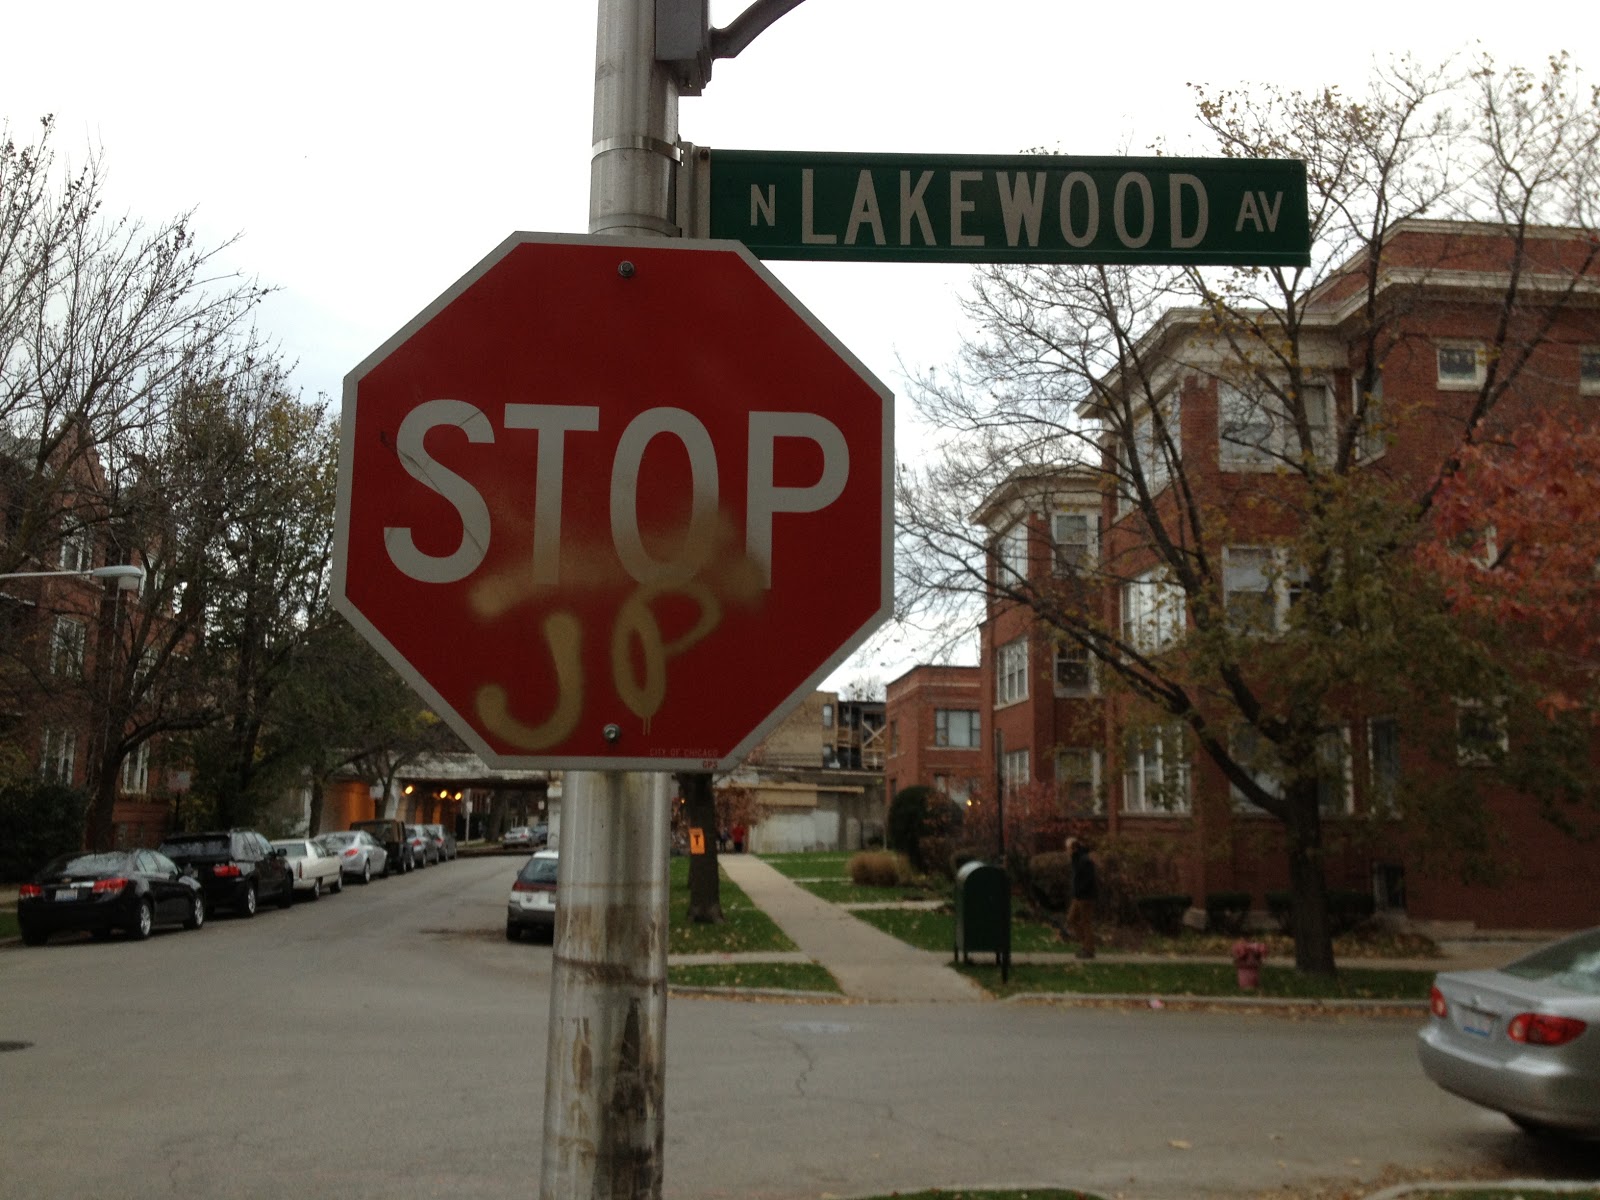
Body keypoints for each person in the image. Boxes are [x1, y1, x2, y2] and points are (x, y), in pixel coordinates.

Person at [1065, 836, 1098, 959]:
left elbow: (1088, 879)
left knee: (1086, 922)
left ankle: (1088, 949)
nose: (1066, 851)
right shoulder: (1076, 859)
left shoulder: (1084, 860)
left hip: (1085, 896)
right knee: (1071, 919)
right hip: (1078, 896)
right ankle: (1085, 944)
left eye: (1068, 848)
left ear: (1073, 848)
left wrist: (1079, 890)